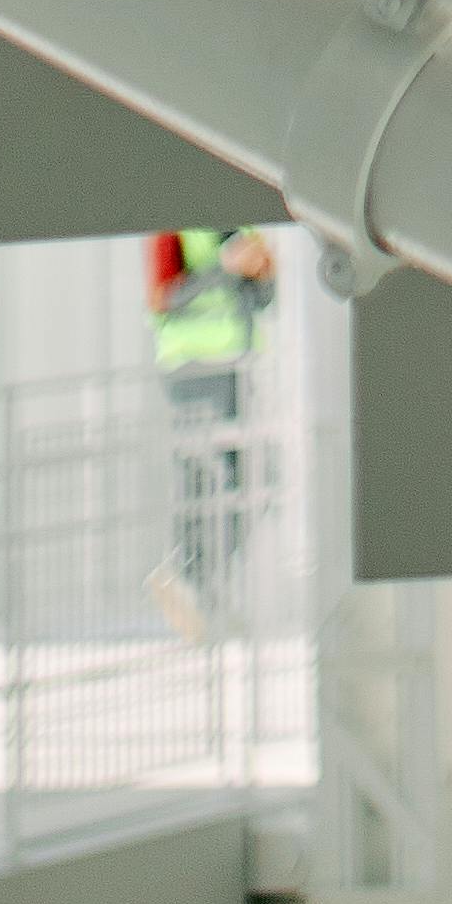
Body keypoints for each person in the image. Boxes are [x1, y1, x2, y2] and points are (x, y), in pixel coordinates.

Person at [145, 223, 274, 640]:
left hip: (238, 368)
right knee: (201, 480)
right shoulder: (173, 232)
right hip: (192, 370)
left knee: (256, 484)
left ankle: (203, 586)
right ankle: (190, 580)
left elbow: (263, 301)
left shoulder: (243, 228)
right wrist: (224, 266)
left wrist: (263, 272)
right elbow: (163, 298)